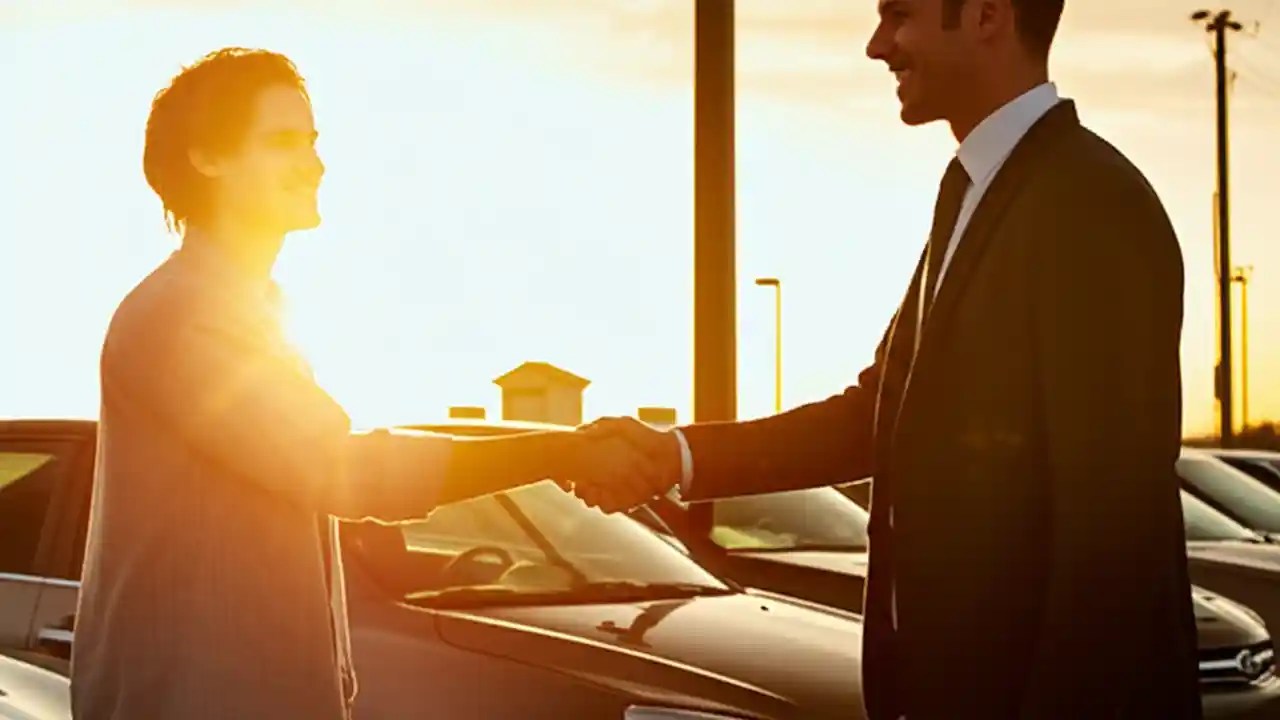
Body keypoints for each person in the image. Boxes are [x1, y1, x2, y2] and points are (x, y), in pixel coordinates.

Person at [575, 0, 1201, 717]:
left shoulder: (1091, 204)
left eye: (899, 15)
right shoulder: (982, 195)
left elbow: (1110, 540)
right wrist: (676, 456)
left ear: (987, 15)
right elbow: (880, 414)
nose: (878, 46)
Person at [71, 47, 654, 720]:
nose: (314, 163)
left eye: (312, 141)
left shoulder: (249, 310)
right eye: (282, 142)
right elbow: (346, 471)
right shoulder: (182, 314)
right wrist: (563, 451)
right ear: (207, 157)